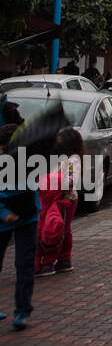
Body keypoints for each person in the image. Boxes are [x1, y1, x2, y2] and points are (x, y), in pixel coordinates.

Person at [0, 123, 39, 330]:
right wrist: (4, 214)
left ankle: (22, 311)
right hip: (3, 220)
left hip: (28, 219)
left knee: (24, 266)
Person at [35, 126, 82, 277]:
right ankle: (63, 260)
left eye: (59, 140)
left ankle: (50, 263)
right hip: (54, 197)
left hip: (64, 200)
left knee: (56, 228)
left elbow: (70, 180)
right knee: (59, 228)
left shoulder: (72, 159)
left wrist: (47, 179)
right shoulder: (59, 158)